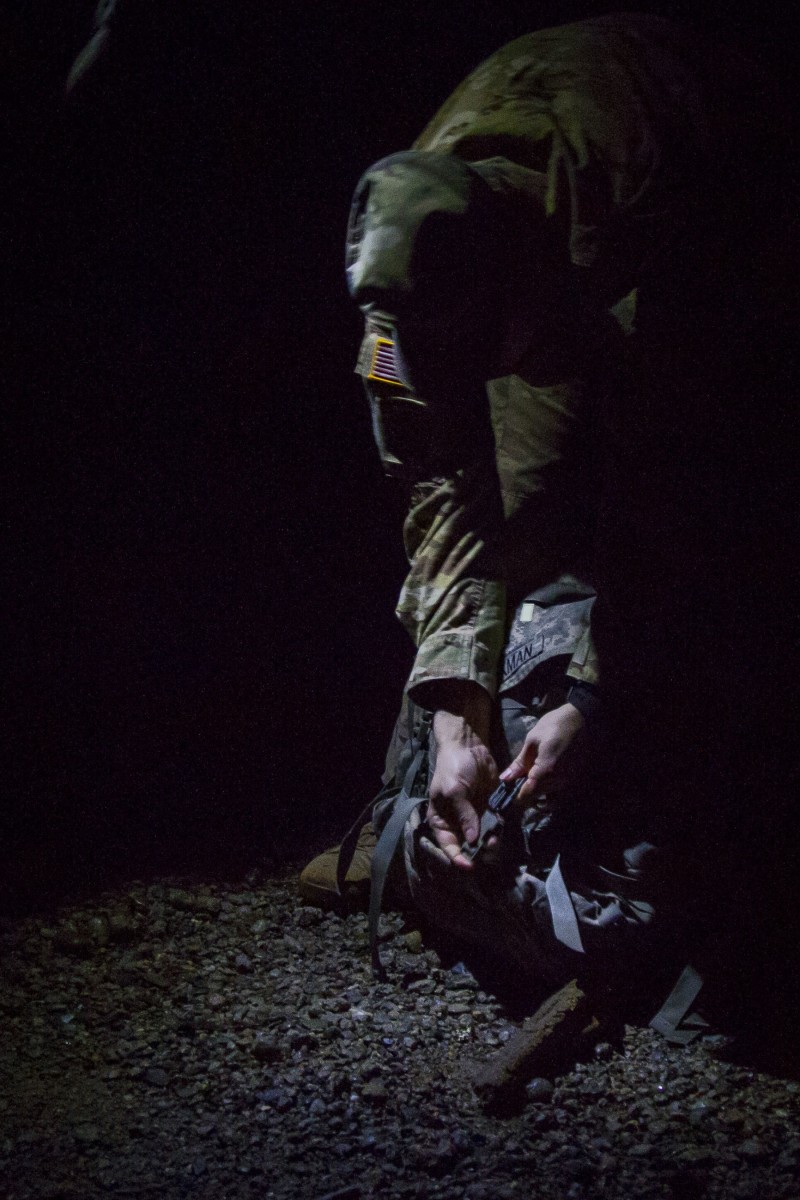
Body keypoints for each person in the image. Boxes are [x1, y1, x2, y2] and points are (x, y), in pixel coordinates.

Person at [301, 13, 796, 977]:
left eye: (482, 361)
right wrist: (454, 718)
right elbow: (439, 494)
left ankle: (727, 802)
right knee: (520, 533)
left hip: (716, 224)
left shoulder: (635, 201)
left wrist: (596, 697)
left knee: (685, 529)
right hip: (535, 286)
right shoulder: (397, 311)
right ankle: (428, 794)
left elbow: (675, 491)